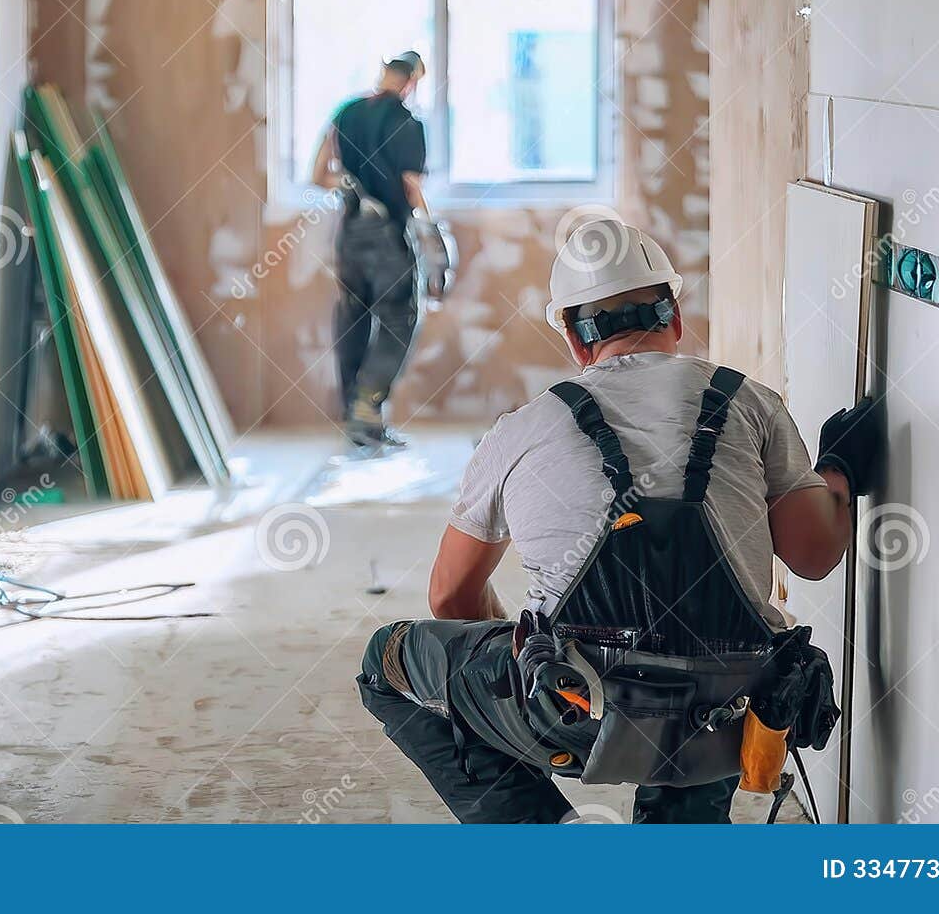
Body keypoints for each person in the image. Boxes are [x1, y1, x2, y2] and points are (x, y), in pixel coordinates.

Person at [356, 219, 884, 823]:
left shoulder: (521, 431)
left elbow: (450, 598)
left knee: (387, 661)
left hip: (574, 715)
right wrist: (837, 472)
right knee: (712, 671)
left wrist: (521, 652)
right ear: (675, 319)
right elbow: (815, 557)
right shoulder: (749, 403)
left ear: (576, 342)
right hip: (719, 718)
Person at [312, 51, 431, 450]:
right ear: (411, 81)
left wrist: (350, 187)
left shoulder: (345, 113)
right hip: (387, 235)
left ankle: (358, 421)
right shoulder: (407, 123)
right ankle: (368, 403)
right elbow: (410, 187)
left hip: (350, 234)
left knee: (352, 319)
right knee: (400, 315)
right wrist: (430, 231)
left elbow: (319, 175)